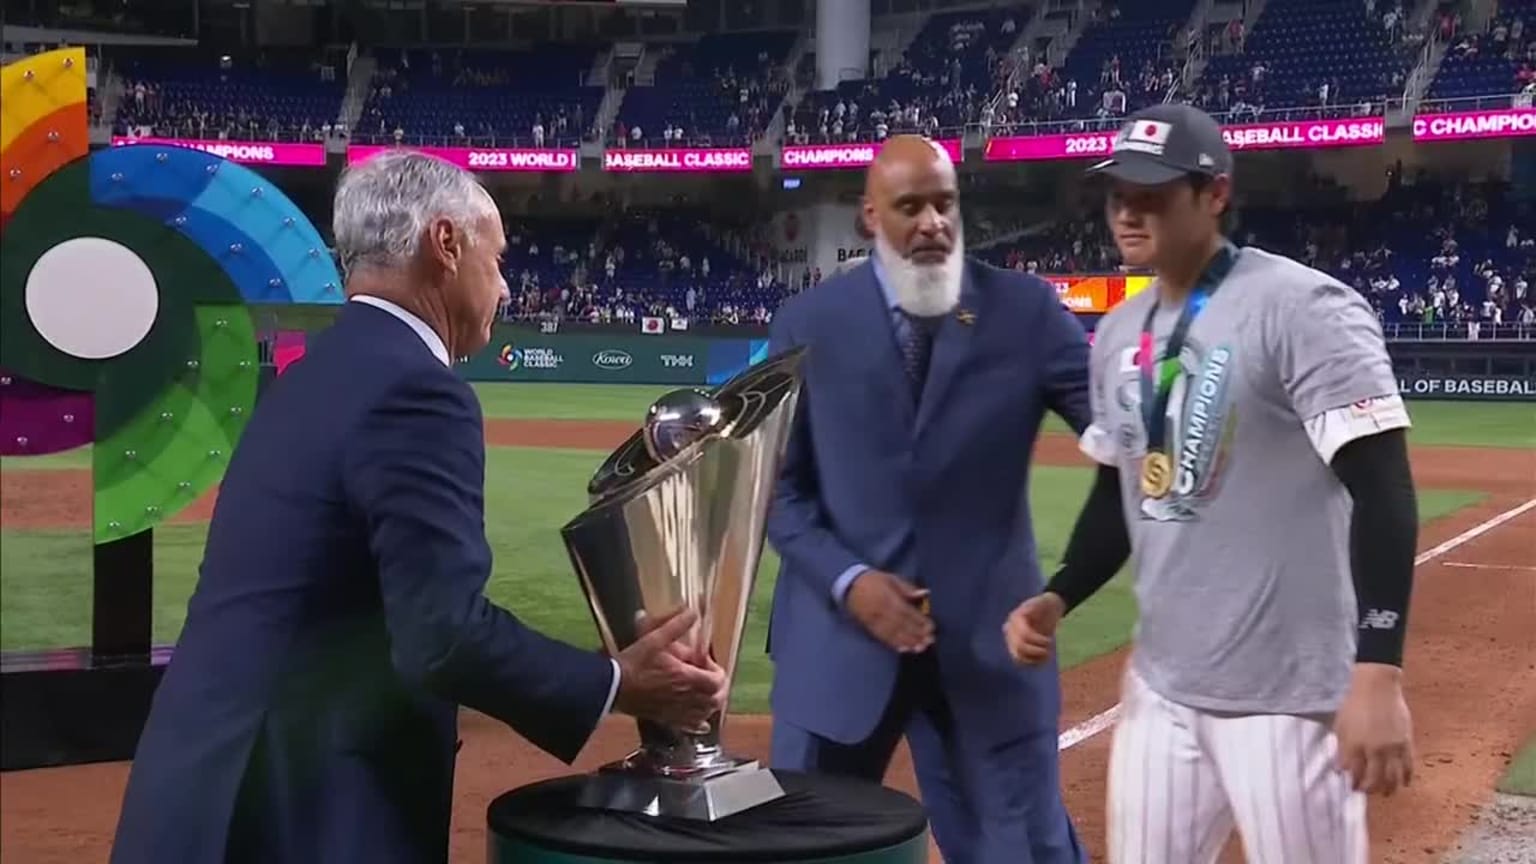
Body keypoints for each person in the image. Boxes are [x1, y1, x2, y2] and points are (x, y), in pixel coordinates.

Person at [110, 151, 729, 864]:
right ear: (446, 244)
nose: (502, 288)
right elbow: (443, 633)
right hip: (301, 813)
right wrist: (619, 683)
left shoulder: (315, 373)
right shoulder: (416, 391)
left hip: (201, 792)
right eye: (496, 262)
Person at [1005, 103, 1418, 863]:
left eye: (1153, 193)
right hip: (1162, 687)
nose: (1129, 211)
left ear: (1215, 195)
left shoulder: (1303, 308)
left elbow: (1384, 487)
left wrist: (1379, 672)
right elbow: (1118, 493)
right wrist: (1059, 592)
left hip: (1290, 700)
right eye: (1118, 192)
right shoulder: (1119, 335)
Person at [765, 135, 1091, 864]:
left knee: (1023, 851)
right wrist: (851, 585)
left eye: (945, 203)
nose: (933, 223)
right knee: (798, 851)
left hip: (987, 648)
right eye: (909, 206)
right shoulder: (807, 323)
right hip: (837, 645)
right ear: (869, 217)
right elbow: (779, 495)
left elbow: (1120, 430)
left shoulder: (1025, 312)